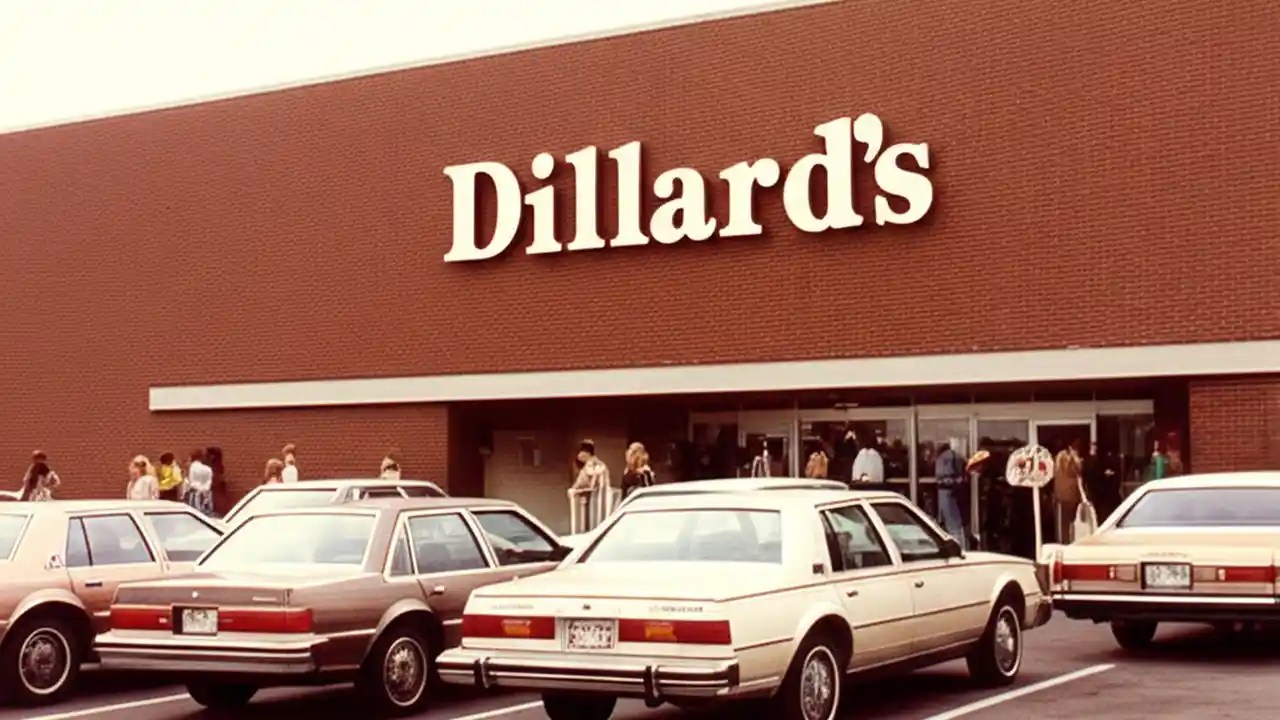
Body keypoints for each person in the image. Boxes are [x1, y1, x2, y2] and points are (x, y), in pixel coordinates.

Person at [569, 440, 612, 529]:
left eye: (580, 452)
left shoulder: (593, 465)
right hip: (601, 503)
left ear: (586, 453)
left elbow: (584, 483)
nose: (578, 456)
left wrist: (574, 490)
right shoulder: (599, 464)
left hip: (596, 502)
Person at [935, 440, 968, 550]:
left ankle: (958, 548)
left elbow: (943, 478)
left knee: (952, 527)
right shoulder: (955, 457)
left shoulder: (946, 457)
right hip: (953, 495)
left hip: (947, 495)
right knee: (955, 526)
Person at [1082, 442, 1121, 525]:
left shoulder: (1090, 460)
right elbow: (1093, 474)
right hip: (1096, 491)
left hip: (1095, 491)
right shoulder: (1092, 461)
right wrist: (1104, 474)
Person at [1054, 439, 1084, 542]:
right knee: (1065, 524)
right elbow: (1072, 469)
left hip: (1071, 496)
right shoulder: (1063, 457)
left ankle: (1069, 540)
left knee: (1071, 522)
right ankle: (1064, 542)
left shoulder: (1063, 457)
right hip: (1065, 496)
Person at [185, 449, 214, 515]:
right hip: (206, 492)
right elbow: (209, 482)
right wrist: (205, 490)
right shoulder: (208, 469)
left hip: (195, 493)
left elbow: (191, 481)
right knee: (207, 513)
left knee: (195, 513)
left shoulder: (192, 467)